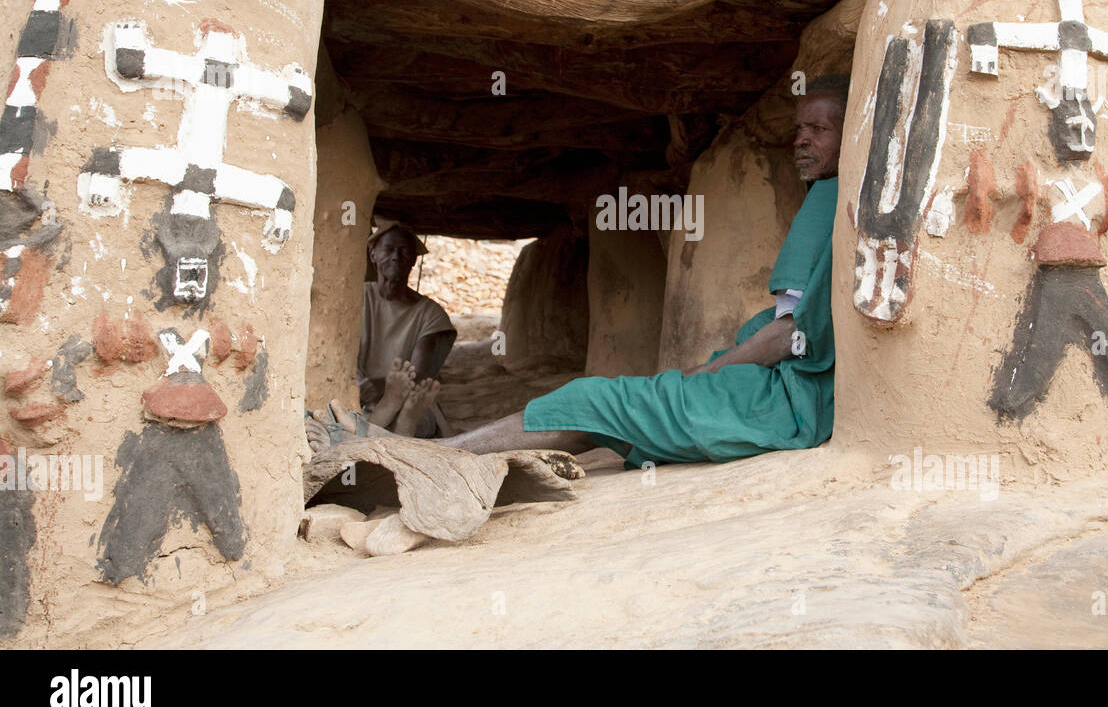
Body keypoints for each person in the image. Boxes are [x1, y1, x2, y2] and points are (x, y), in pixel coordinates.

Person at [308, 77, 846, 464]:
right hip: (792, 397)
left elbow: (788, 333)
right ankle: (414, 447)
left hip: (785, 403)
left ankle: (431, 456)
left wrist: (712, 371)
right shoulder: (836, 198)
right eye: (799, 128)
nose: (800, 139)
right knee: (608, 408)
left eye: (818, 130)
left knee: (589, 399)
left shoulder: (826, 199)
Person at [353, 219, 457, 437]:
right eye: (389, 249)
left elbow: (416, 376)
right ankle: (393, 419)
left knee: (417, 422)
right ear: (373, 255)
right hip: (357, 394)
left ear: (413, 261)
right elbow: (337, 356)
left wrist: (392, 391)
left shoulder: (430, 313)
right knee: (343, 417)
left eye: (404, 251)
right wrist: (362, 387)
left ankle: (396, 415)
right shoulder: (354, 297)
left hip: (405, 400)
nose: (396, 256)